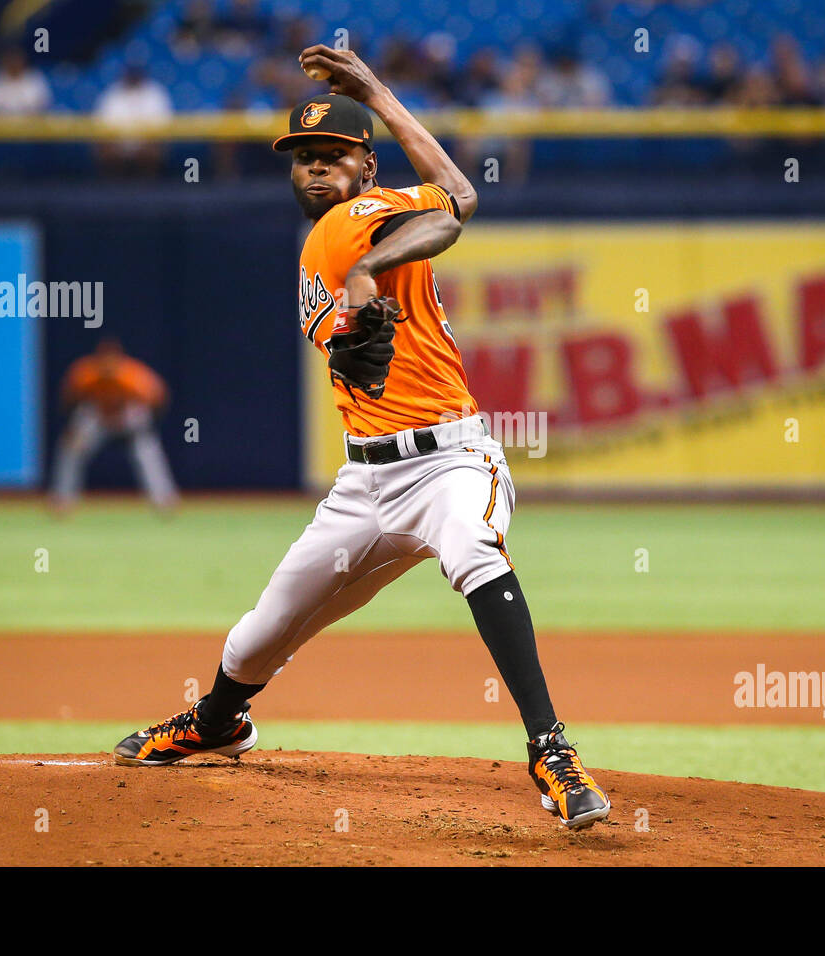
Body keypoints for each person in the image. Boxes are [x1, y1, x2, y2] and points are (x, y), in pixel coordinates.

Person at [113, 47, 611, 831]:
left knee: (475, 554)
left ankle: (551, 751)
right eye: (303, 159)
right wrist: (355, 318)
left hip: (451, 459)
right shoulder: (313, 255)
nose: (315, 170)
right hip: (364, 487)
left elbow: (456, 205)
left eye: (332, 155)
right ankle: (220, 724)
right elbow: (347, 350)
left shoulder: (371, 213)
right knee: (254, 639)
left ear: (365, 164)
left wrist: (378, 99)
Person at [51, 338, 178, 513]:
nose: (107, 365)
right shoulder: (85, 373)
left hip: (127, 415)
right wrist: (73, 428)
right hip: (98, 416)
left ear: (119, 360)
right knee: (71, 445)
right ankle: (63, 500)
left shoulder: (133, 376)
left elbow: (158, 398)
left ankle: (163, 500)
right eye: (103, 360)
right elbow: (69, 399)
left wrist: (147, 427)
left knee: (147, 450)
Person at [93, 64, 173, 176]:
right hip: (117, 141)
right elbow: (102, 123)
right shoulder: (112, 93)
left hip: (146, 141)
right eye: (131, 76)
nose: (133, 79)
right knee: (105, 145)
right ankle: (112, 187)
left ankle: (148, 187)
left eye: (136, 76)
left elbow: (162, 123)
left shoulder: (155, 92)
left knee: (154, 147)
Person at [0, 48, 51, 116]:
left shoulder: (35, 79)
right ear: (4, 61)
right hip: (1, 125)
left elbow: (44, 107)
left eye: (16, 59)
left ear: (23, 60)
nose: (13, 63)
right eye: (10, 59)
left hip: (31, 125)